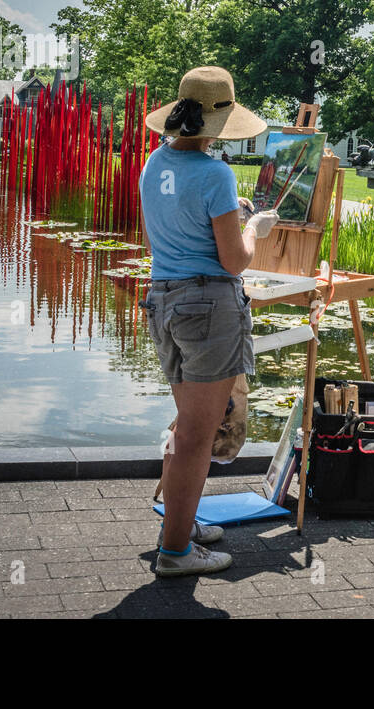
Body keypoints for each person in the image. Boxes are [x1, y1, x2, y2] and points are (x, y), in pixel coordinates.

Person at [138, 66, 279, 577]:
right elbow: (234, 262)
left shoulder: (153, 164)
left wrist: (228, 213)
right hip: (208, 310)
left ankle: (179, 525)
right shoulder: (217, 173)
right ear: (220, 121)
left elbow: (161, 242)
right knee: (198, 436)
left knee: (186, 429)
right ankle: (176, 553)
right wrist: (255, 228)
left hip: (164, 303)